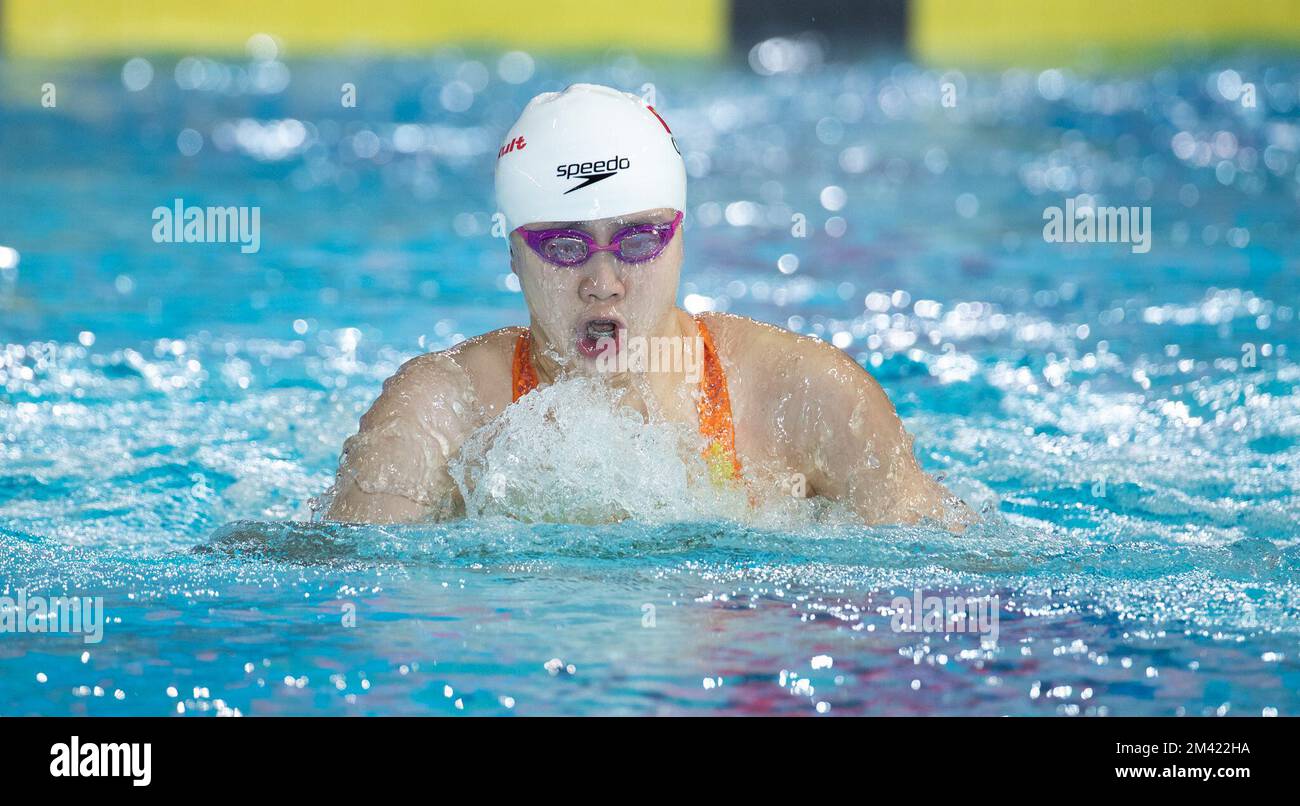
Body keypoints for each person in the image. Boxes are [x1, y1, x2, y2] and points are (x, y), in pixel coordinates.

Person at [325, 83, 971, 528]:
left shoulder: (802, 398)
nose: (603, 281)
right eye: (565, 244)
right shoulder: (445, 409)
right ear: (514, 254)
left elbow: (952, 566)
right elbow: (335, 591)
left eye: (637, 241)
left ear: (681, 238)